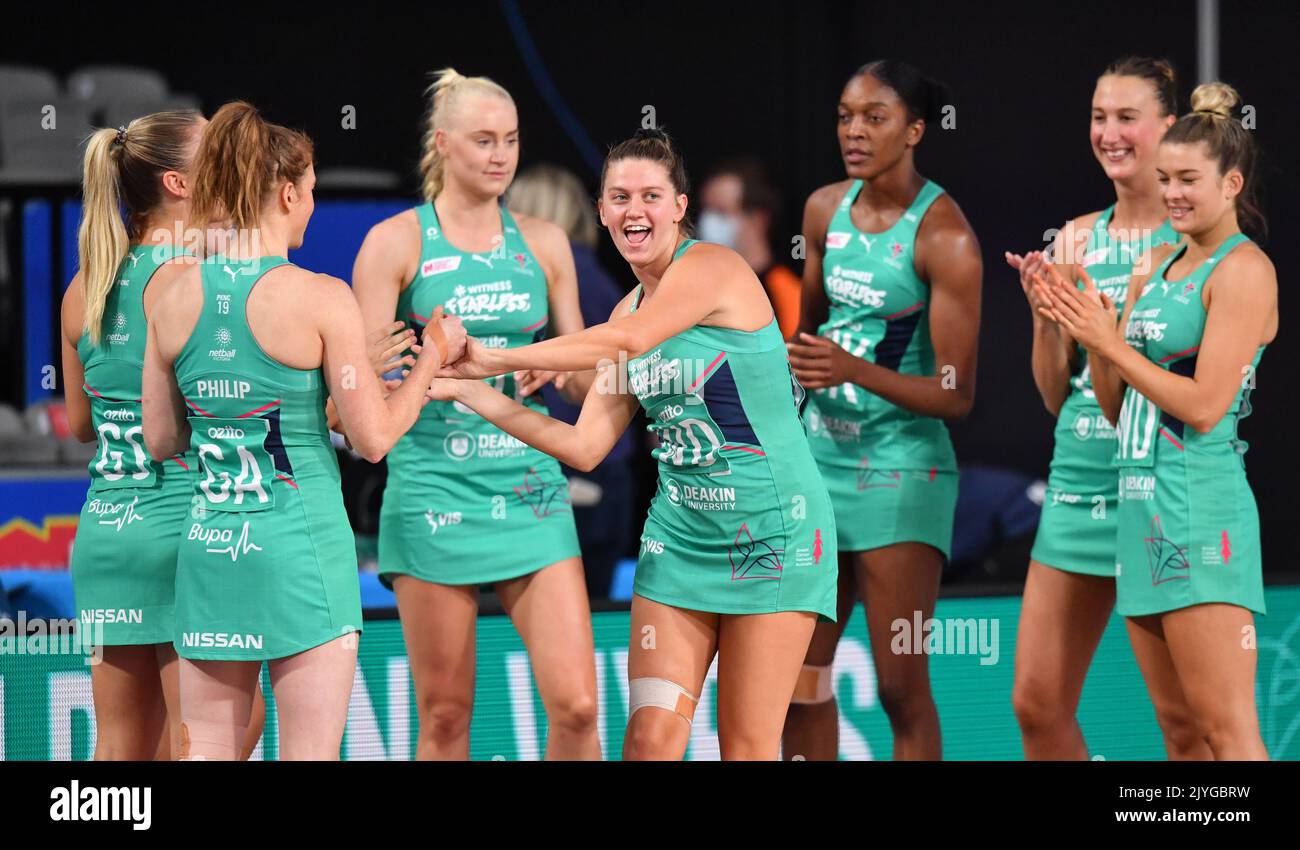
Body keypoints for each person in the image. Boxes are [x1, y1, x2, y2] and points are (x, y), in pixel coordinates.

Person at [432, 128, 837, 760]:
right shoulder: (625, 313)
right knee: (647, 741)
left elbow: (625, 346)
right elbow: (586, 446)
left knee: (747, 746)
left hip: (774, 536)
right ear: (600, 211)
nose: (634, 211)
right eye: (619, 197)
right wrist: (476, 393)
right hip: (678, 543)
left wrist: (489, 357)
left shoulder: (713, 269)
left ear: (680, 207)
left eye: (651, 195)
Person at [142, 101, 464, 760]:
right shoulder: (320, 298)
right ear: (287, 192)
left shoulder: (170, 297)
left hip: (209, 555)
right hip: (301, 558)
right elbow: (372, 439)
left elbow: (162, 440)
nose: (314, 206)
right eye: (312, 190)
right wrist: (432, 353)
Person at [352, 70, 601, 760]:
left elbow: (582, 386)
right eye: (484, 140)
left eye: (512, 140)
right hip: (433, 490)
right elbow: (359, 390)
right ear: (442, 144)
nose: (500, 155)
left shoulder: (547, 243)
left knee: (579, 707)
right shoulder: (394, 243)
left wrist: (562, 365)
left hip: (531, 491)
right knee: (445, 717)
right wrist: (415, 365)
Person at [1035, 82, 1275, 760]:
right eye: (1164, 177)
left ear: (1231, 183)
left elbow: (1203, 406)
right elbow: (1117, 408)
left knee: (1228, 732)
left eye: (1188, 180)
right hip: (1139, 512)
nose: (1171, 193)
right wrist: (1088, 329)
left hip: (1201, 511)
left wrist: (1109, 345)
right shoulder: (1153, 264)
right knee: (1179, 733)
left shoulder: (1245, 270)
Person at [783, 60, 982, 760]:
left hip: (901, 475)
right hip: (819, 465)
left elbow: (956, 393)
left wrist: (851, 369)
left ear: (916, 130)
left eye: (875, 118)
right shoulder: (821, 209)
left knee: (902, 688)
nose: (854, 131)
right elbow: (806, 341)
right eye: (844, 115)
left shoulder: (947, 238)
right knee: (799, 676)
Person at [1004, 58, 1202, 759]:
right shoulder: (1075, 237)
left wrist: (1111, 338)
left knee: (1185, 724)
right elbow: (1059, 395)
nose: (1109, 133)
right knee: (1035, 703)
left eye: (1127, 117)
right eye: (1098, 117)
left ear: (1168, 127)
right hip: (1078, 485)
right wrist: (1043, 318)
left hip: (1159, 489)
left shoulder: (1192, 242)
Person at [60, 109, 263, 760]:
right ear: (179, 184)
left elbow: (81, 424)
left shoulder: (81, 287)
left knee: (121, 749)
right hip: (187, 536)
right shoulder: (197, 281)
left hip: (106, 537)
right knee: (211, 741)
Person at [506, 163, 637, 598]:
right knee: (590, 611)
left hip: (567, 468)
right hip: (608, 470)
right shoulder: (601, 277)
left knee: (555, 611)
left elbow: (587, 380)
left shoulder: (549, 278)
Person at [698, 157, 802, 339]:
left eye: (721, 212)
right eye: (707, 210)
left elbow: (794, 363)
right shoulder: (694, 288)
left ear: (757, 218)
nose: (708, 222)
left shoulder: (785, 292)